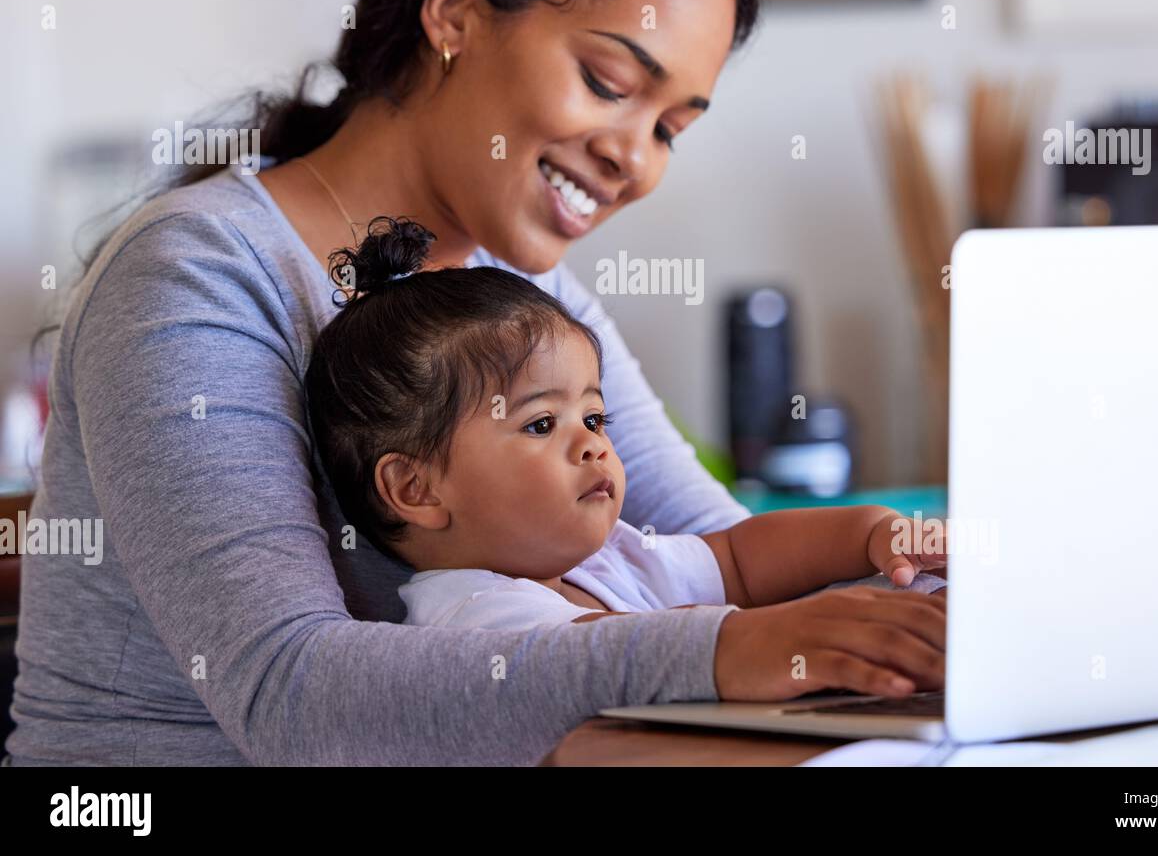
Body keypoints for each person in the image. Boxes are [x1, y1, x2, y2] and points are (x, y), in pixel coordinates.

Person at [5, 0, 944, 767]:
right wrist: (725, 648)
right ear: (454, 11)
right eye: (610, 80)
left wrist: (922, 594)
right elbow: (293, 692)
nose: (634, 158)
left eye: (670, 128)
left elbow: (722, 555)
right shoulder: (198, 277)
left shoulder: (519, 292)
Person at [303, 217, 948, 634]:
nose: (591, 444)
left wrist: (873, 533)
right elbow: (602, 660)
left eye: (593, 415)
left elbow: (742, 559)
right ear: (417, 490)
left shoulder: (610, 563)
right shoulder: (474, 619)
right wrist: (791, 629)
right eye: (539, 424)